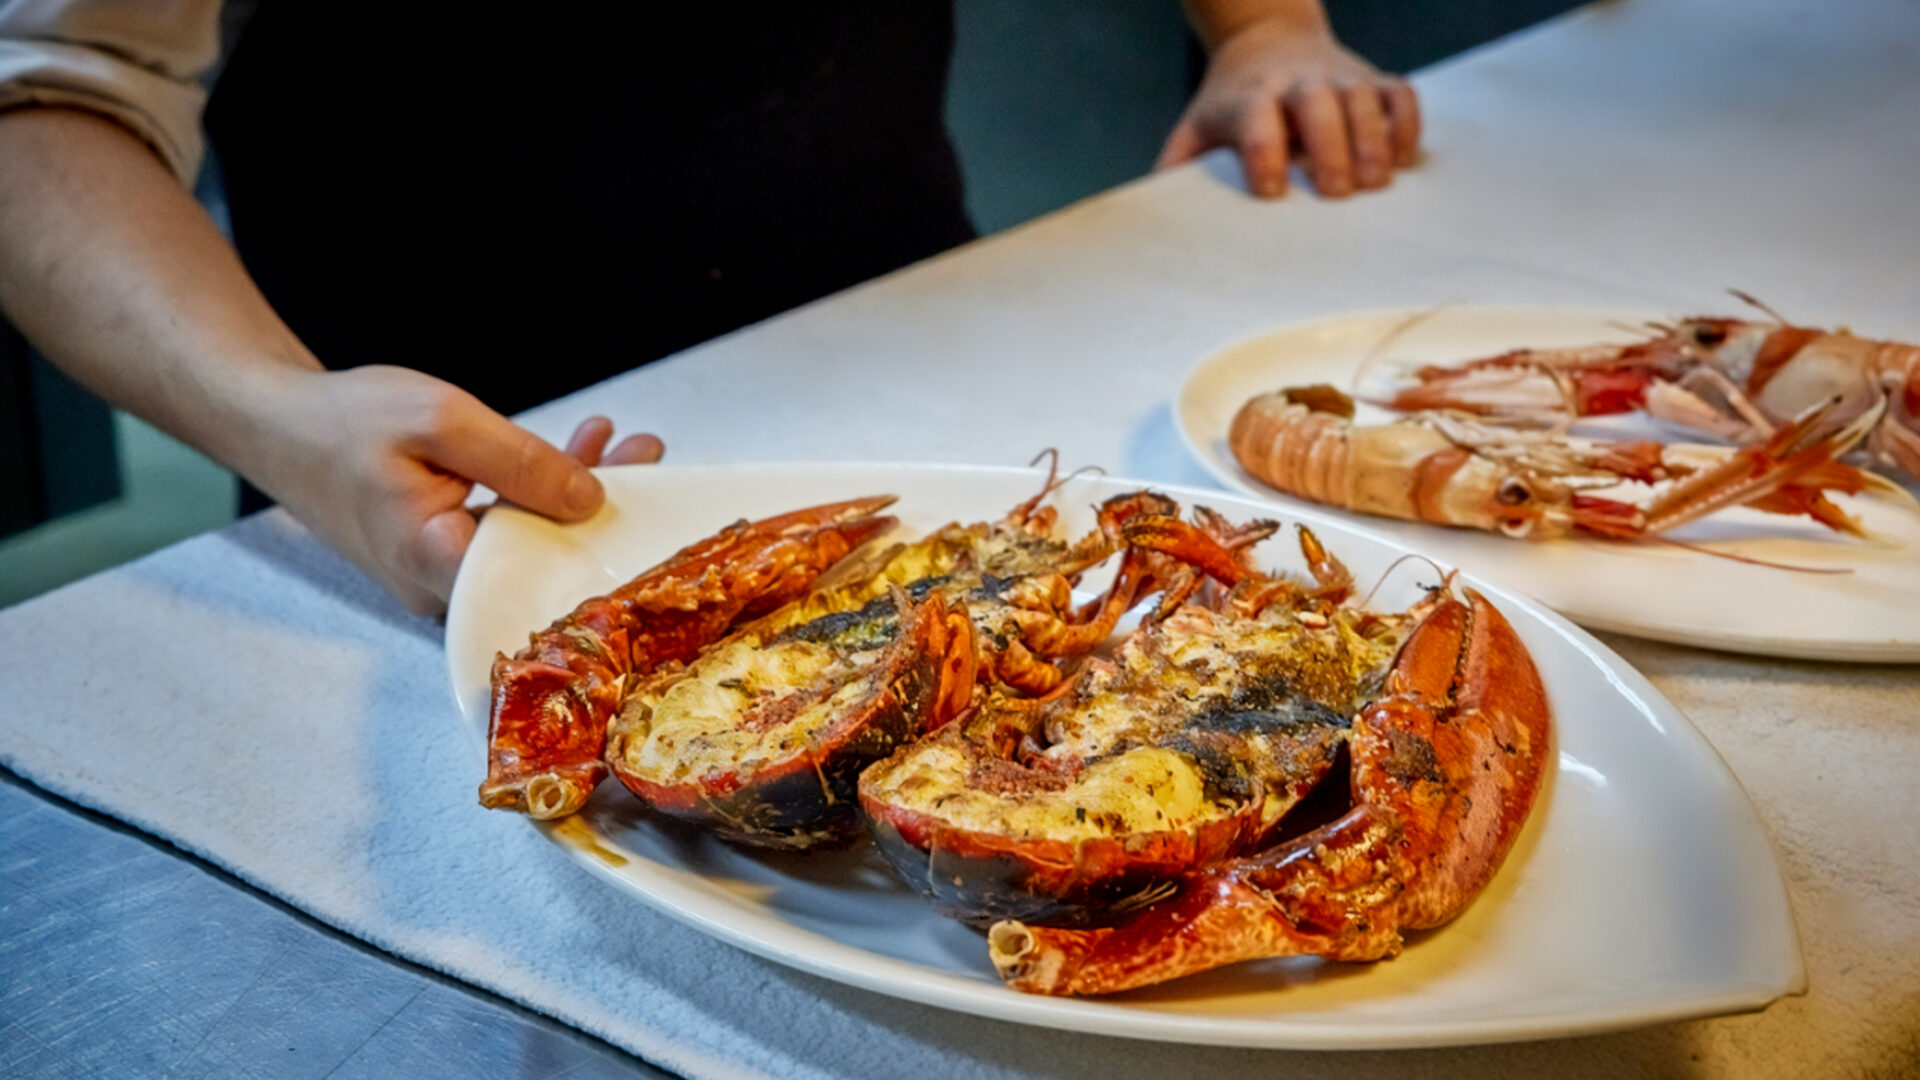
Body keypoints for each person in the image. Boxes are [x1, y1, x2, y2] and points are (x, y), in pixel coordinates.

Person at [0, 1, 1420, 616]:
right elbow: (42, 101)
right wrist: (279, 414)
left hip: (934, 359)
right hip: (448, 489)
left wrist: (1263, 26)